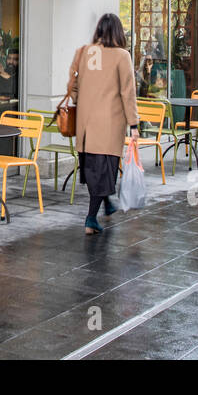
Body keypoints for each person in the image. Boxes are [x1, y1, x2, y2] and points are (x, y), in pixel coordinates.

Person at [68, 13, 139, 235]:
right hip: (109, 126)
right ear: (118, 32)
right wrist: (134, 124)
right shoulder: (121, 56)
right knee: (104, 170)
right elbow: (128, 92)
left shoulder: (85, 52)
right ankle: (90, 219)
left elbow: (73, 87)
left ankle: (106, 203)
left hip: (86, 126)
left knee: (93, 170)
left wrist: (85, 103)